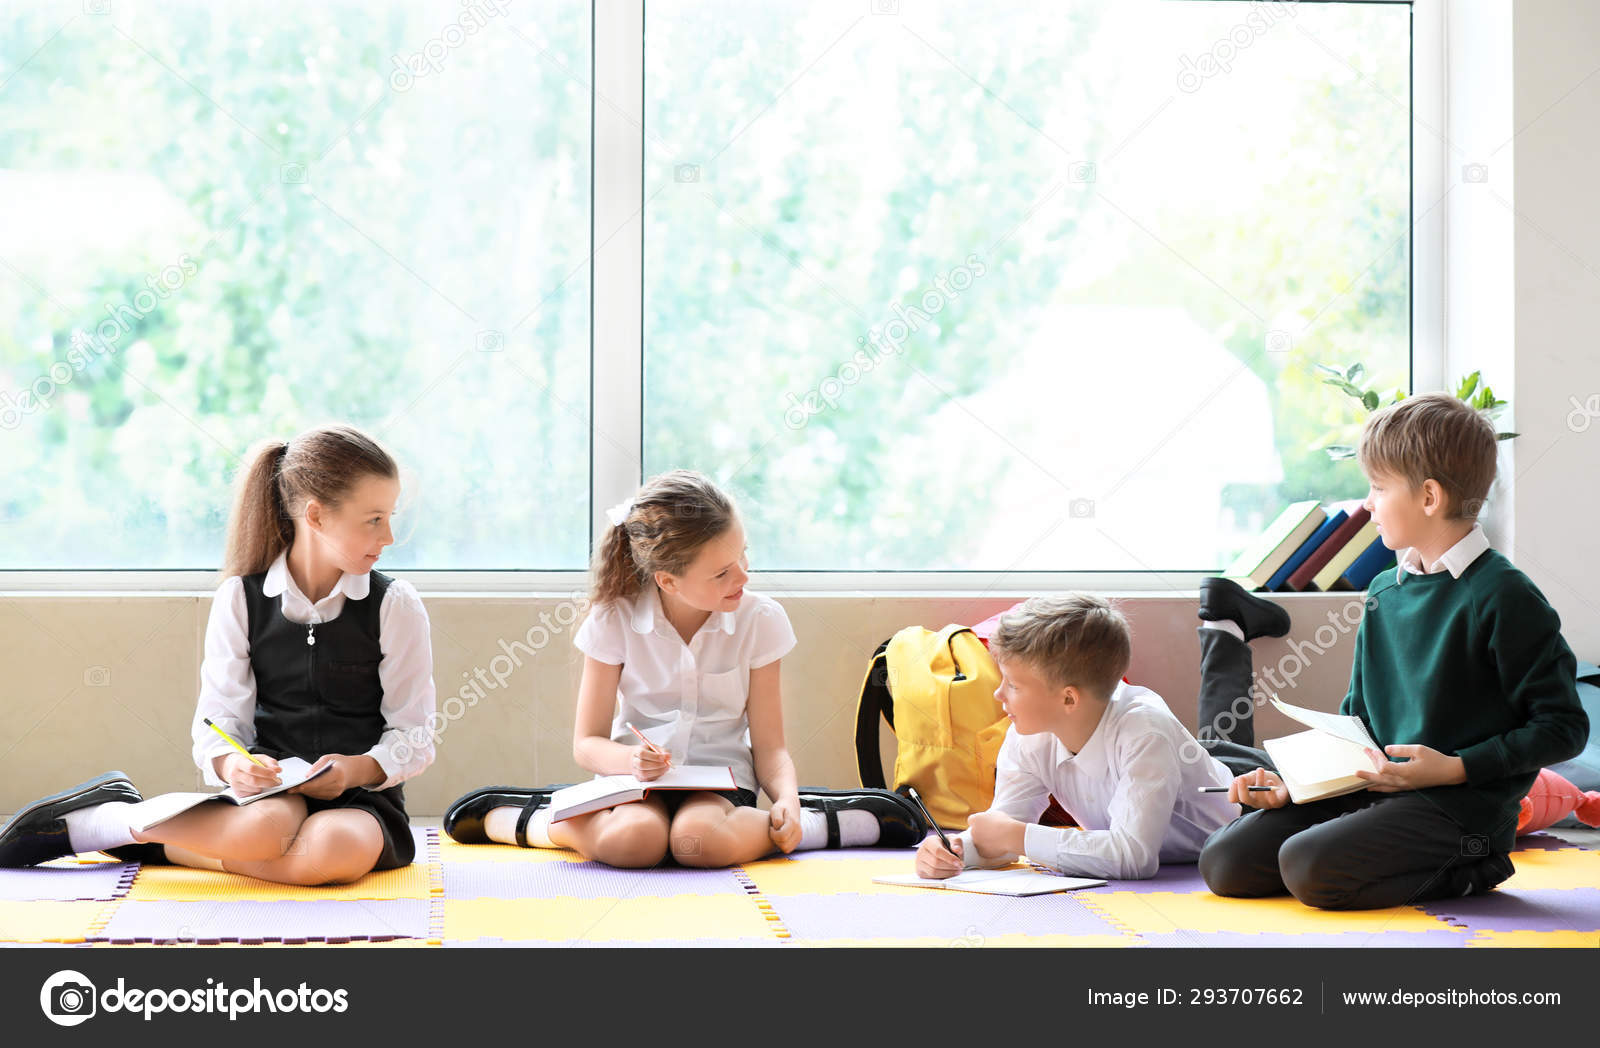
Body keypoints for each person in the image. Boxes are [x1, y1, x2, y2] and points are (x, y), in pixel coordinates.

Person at [1199, 393, 1589, 910]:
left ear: (1429, 497)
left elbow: (1563, 726)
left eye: (1379, 487)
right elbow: (1356, 719)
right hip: (1377, 789)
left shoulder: (1503, 595)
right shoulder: (1385, 588)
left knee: (1308, 868)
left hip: (1458, 809)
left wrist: (1454, 768)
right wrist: (1296, 785)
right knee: (1224, 860)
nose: (1366, 503)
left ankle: (1477, 866)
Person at [0, 426, 437, 885]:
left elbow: (415, 733)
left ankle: (127, 831)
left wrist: (357, 769)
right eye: (373, 519)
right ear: (316, 516)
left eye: (389, 517)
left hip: (362, 799)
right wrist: (234, 765)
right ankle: (108, 821)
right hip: (272, 795)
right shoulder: (240, 600)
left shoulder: (395, 604)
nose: (388, 536)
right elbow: (217, 724)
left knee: (331, 850)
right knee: (265, 830)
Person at [445, 470, 921, 867]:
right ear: (668, 580)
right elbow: (586, 744)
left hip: (723, 783)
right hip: (634, 782)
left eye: (743, 556)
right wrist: (632, 762)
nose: (744, 577)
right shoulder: (614, 619)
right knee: (635, 843)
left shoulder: (761, 619)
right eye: (722, 572)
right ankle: (532, 817)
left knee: (698, 843)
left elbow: (771, 748)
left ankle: (814, 821)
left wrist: (787, 802)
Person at [912, 591, 1244, 881]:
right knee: (1209, 734)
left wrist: (1017, 836)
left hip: (1243, 795)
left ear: (1069, 699)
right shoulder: (1028, 735)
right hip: (1174, 761)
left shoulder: (1145, 732)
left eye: (1012, 684)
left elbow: (1133, 857)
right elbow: (1003, 832)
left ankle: (1227, 629)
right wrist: (957, 850)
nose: (999, 694)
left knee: (1230, 729)